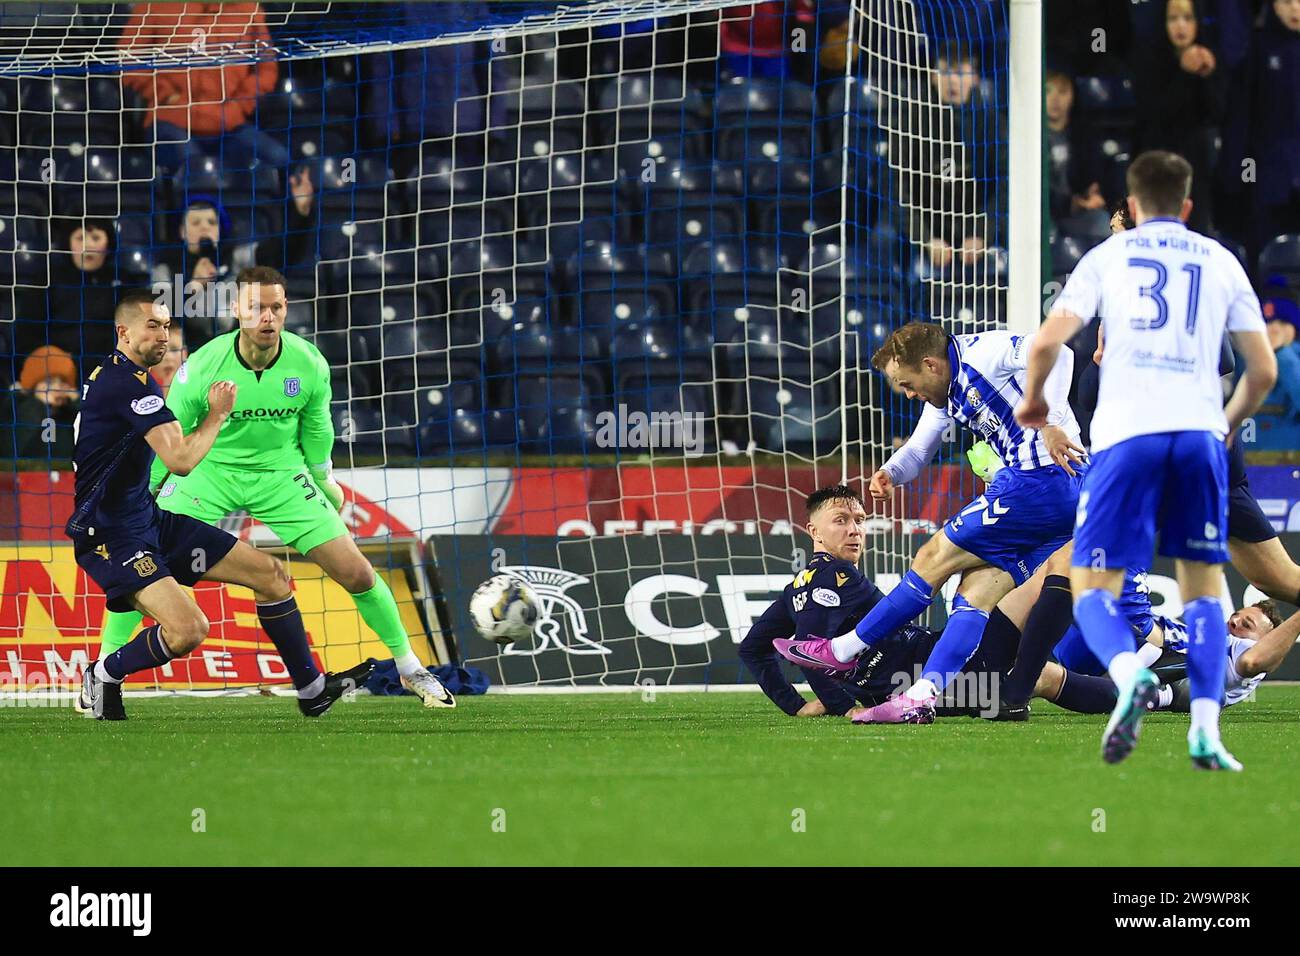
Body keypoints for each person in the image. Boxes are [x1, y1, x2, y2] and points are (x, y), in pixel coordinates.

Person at [1015, 150, 1277, 771]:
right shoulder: (1220, 260)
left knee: (1089, 583)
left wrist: (1032, 403)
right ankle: (1207, 729)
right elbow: (1262, 369)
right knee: (1206, 593)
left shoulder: (1107, 255)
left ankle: (1129, 672)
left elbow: (1049, 340)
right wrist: (1225, 425)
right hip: (1196, 440)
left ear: (1130, 206)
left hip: (1125, 438)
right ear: (1187, 206)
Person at [92, 268, 455, 709]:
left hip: (282, 474)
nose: (267, 317)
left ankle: (411, 667)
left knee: (357, 572)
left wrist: (324, 478)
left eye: (276, 307)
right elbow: (172, 434)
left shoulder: (308, 363)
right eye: (256, 308)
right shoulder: (202, 366)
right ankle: (104, 670)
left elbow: (317, 427)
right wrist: (141, 496)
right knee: (145, 566)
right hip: (209, 472)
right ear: (236, 311)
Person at [70, 289, 374, 720]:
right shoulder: (127, 386)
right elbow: (181, 461)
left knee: (271, 576)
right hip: (110, 535)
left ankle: (311, 689)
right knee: (189, 630)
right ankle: (103, 673)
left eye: (167, 326)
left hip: (148, 520)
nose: (164, 336)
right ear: (123, 332)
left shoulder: (131, 376)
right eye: (152, 326)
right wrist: (217, 414)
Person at [773, 320, 1086, 725]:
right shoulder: (944, 396)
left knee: (932, 556)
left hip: (1039, 479)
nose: (908, 393)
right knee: (976, 593)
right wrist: (890, 473)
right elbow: (919, 448)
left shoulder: (983, 354)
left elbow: (1060, 351)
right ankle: (921, 697)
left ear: (930, 365)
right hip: (1066, 497)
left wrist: (1052, 421)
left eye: (907, 383)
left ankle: (844, 651)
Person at [118, 2, 287, 174]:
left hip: (228, 124)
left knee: (277, 158)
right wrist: (167, 96)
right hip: (171, 121)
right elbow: (129, 61)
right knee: (195, 169)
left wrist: (240, 104)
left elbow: (266, 69)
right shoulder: (153, 6)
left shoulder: (247, 8)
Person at [1130, 0, 1225, 233]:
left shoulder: (1209, 56)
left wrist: (1208, 78)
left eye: (1187, 18)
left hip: (1197, 167)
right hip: (1155, 159)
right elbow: (1155, 114)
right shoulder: (1147, 59)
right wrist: (1183, 73)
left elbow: (1217, 113)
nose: (1180, 26)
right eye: (1173, 19)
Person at [0, 345, 80, 459]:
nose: (56, 388)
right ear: (34, 386)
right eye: (49, 382)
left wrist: (78, 401)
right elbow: (11, 451)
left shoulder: (71, 414)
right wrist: (39, 404)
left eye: (62, 382)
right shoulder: (15, 408)